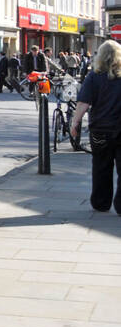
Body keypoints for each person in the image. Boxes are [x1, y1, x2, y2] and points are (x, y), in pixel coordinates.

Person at [71, 40, 121, 214]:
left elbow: (84, 102)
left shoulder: (94, 76)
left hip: (100, 129)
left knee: (101, 166)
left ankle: (101, 202)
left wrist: (75, 122)